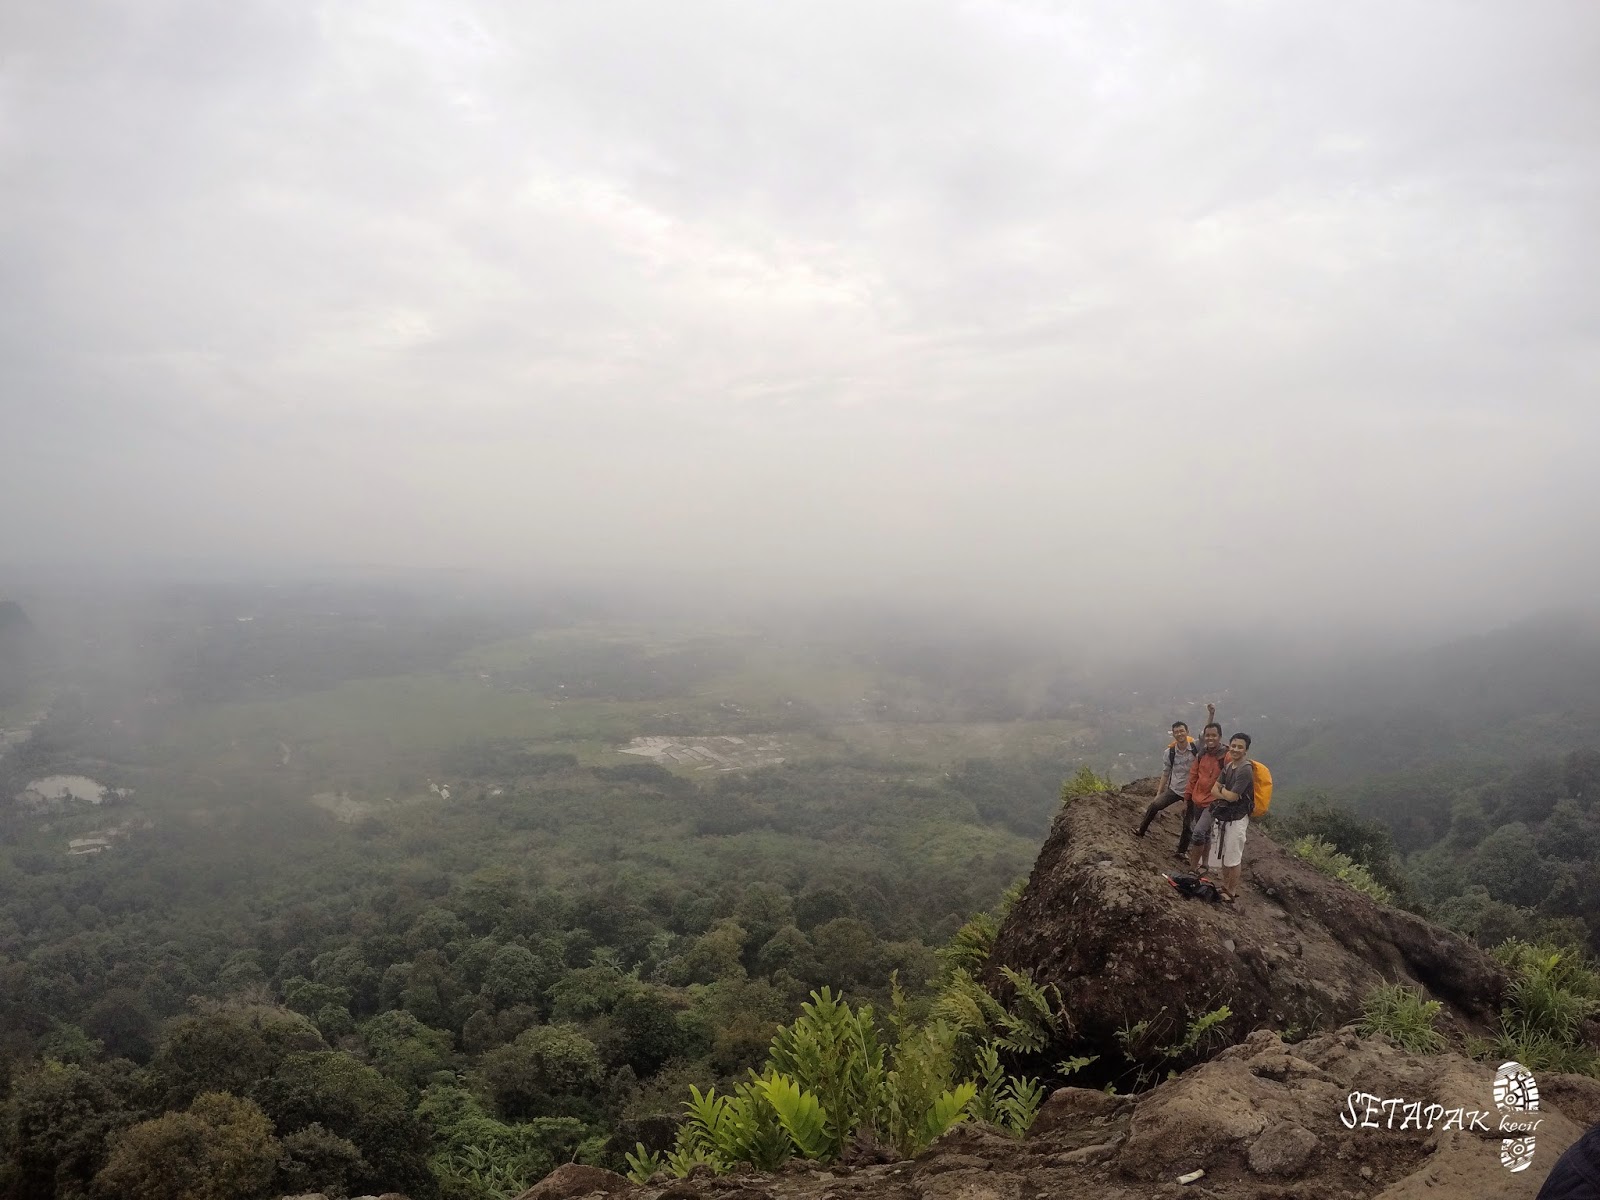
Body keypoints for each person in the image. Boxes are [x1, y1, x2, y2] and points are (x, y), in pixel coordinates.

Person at [1136, 703, 1214, 857]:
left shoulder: (1195, 747)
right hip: (1174, 789)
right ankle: (1141, 830)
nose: (1179, 734)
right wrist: (1159, 792)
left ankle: (1181, 852)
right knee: (1154, 806)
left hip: (1191, 791)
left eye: (1181, 731)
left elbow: (1206, 734)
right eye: (1176, 732)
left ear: (1187, 732)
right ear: (1173, 735)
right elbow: (1166, 772)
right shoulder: (1170, 752)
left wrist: (1211, 715)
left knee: (1188, 823)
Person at [1208, 733, 1255, 904]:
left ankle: (1231, 891)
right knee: (1225, 853)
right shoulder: (1229, 766)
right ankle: (1225, 886)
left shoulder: (1245, 769)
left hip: (1238, 817)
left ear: (1246, 750)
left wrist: (1223, 793)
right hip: (1227, 816)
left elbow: (1234, 797)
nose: (1235, 749)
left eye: (1240, 747)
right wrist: (1224, 794)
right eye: (1233, 746)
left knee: (1233, 856)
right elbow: (1213, 790)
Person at [1185, 720, 1228, 873]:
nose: (1210, 738)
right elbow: (1193, 775)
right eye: (1207, 735)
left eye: (1213, 735)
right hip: (1197, 798)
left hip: (1214, 802)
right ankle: (1205, 864)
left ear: (1220, 737)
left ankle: (1192, 868)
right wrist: (1188, 796)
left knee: (1197, 833)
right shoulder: (1201, 754)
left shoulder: (1226, 756)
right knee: (1206, 833)